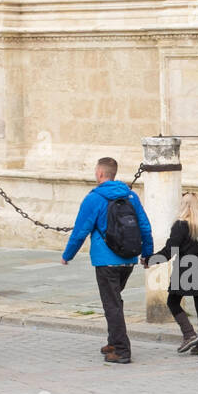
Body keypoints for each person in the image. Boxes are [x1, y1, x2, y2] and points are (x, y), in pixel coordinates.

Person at [61, 156, 154, 364]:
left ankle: (121, 350)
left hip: (106, 261)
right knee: (115, 301)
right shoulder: (130, 196)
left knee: (112, 304)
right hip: (128, 259)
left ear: (100, 173)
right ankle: (113, 341)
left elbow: (80, 231)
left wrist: (67, 255)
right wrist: (147, 254)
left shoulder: (94, 198)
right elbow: (145, 227)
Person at [152, 192, 198, 356]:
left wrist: (151, 260)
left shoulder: (181, 225)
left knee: (173, 301)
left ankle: (189, 334)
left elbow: (170, 250)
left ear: (185, 206)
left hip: (185, 267)